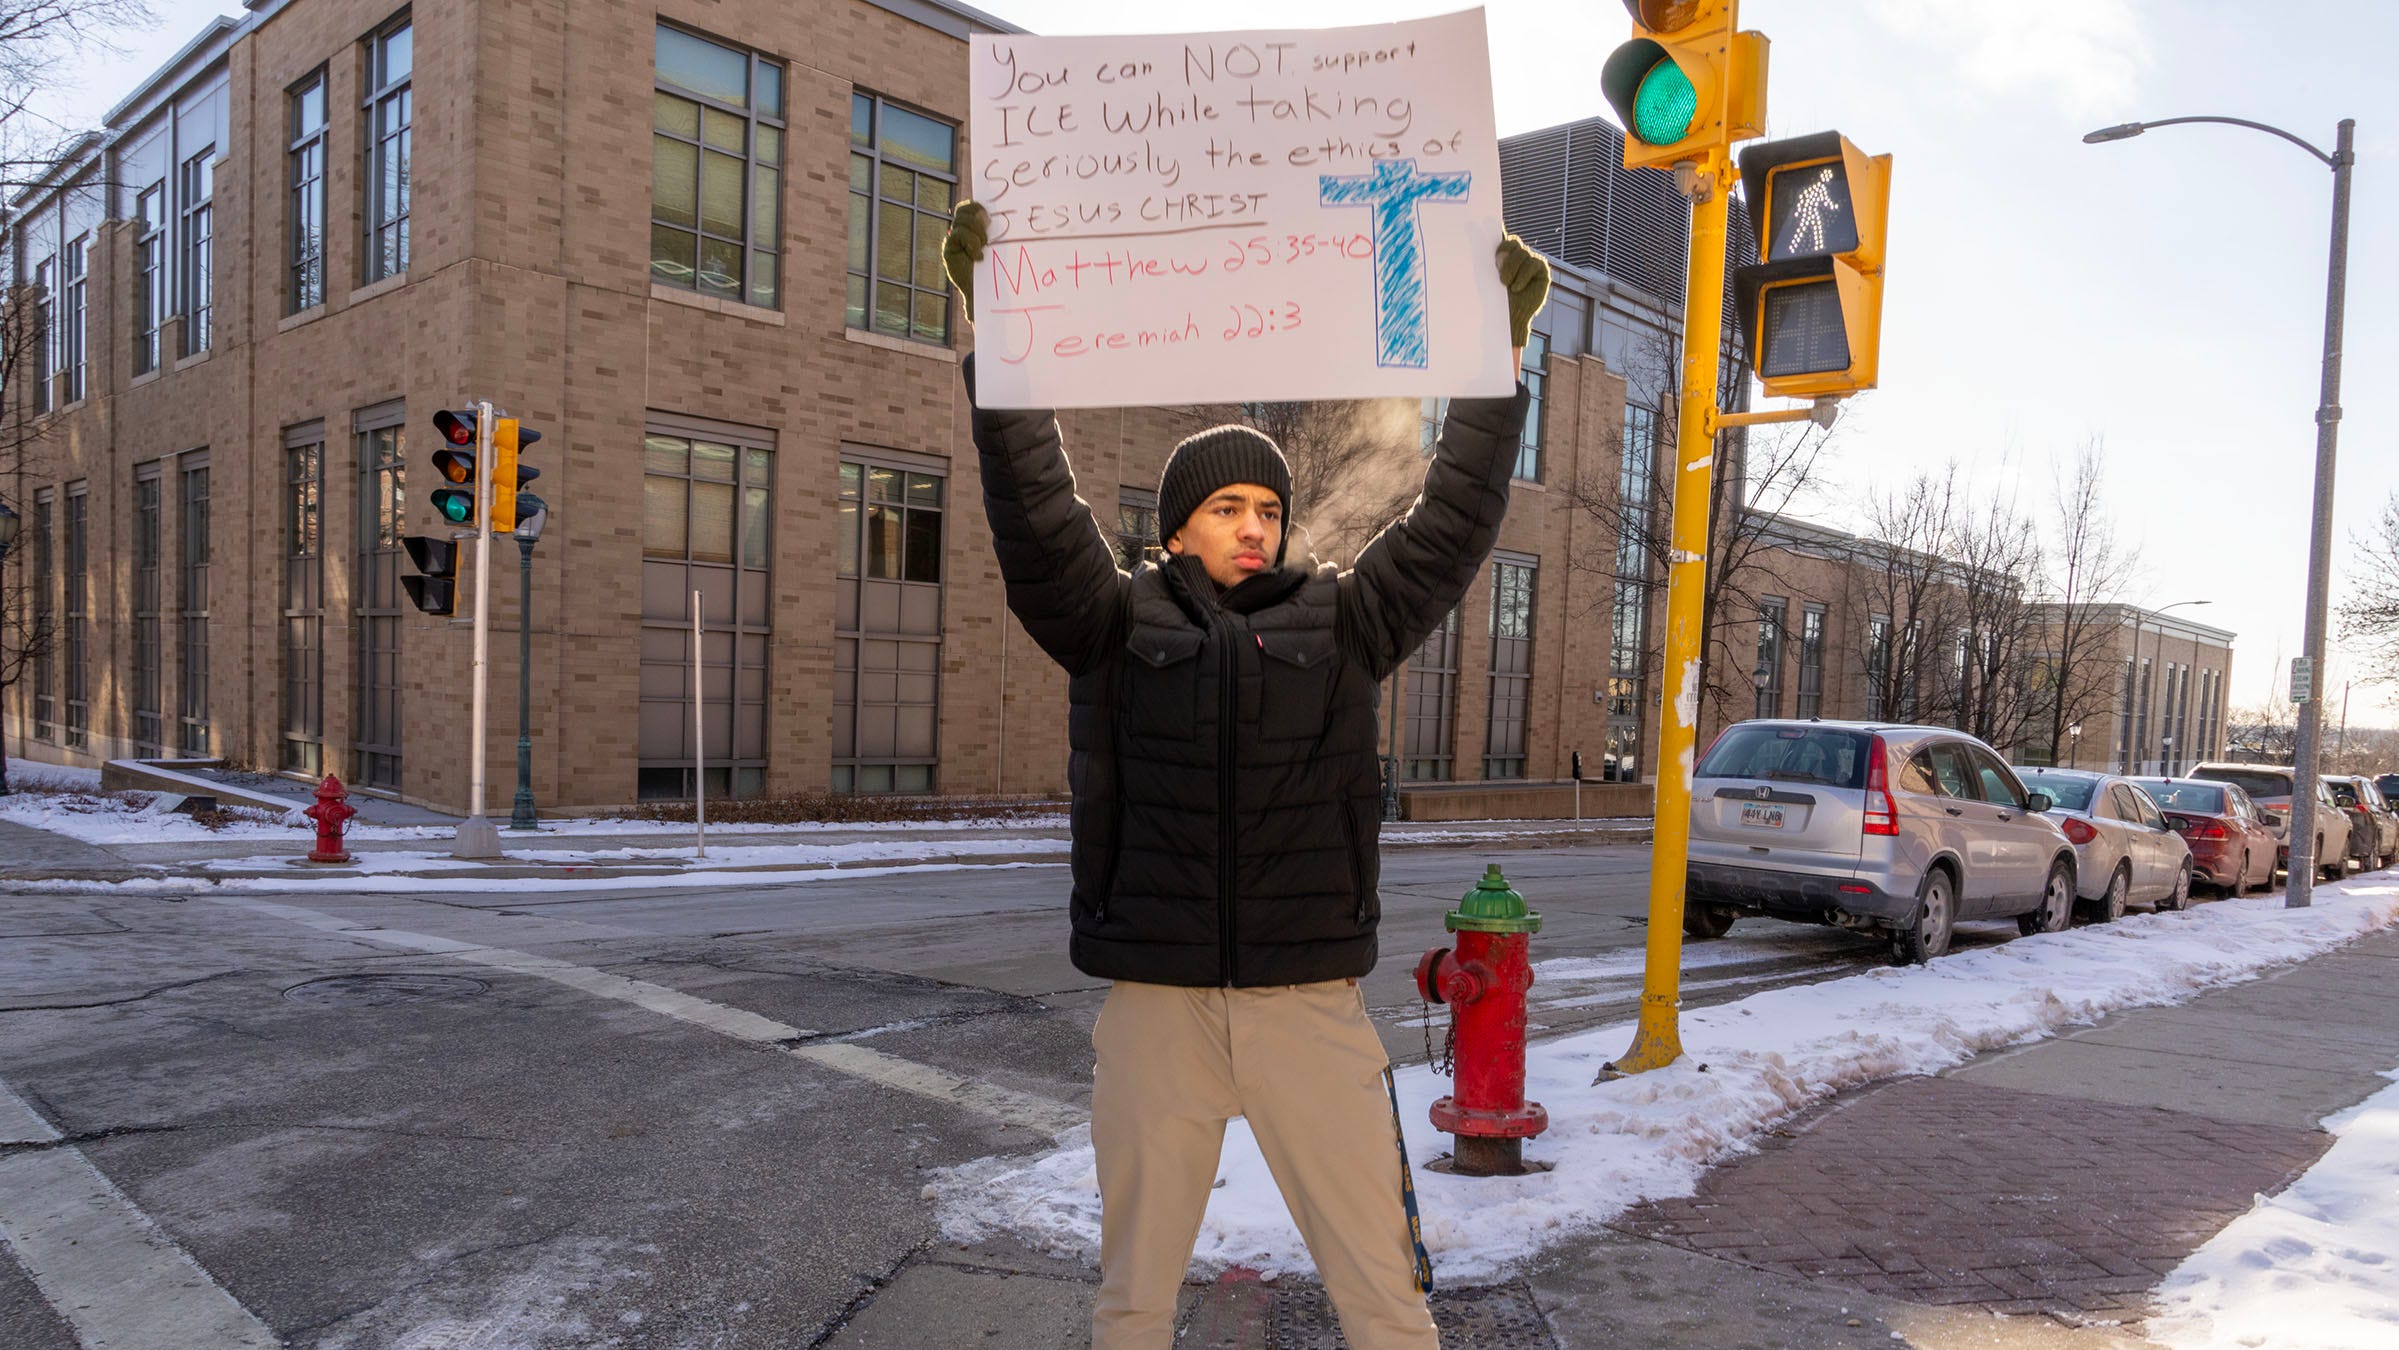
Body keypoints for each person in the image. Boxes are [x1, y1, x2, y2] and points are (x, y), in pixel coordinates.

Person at [943, 198, 1548, 1350]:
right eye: (1226, 508)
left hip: (1304, 1006)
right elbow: (1031, 509)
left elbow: (1451, 523)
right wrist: (992, 336)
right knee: (1130, 1299)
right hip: (1157, 1008)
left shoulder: (1346, 622)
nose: (1254, 526)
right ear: (1177, 530)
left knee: (1382, 1289)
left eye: (1267, 508)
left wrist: (1495, 368)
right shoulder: (1109, 625)